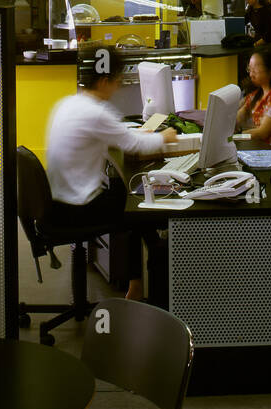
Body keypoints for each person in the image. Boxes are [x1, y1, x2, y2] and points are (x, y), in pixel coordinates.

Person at [44, 47, 179, 301]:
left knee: (131, 197)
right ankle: (155, 294)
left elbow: (120, 138)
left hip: (59, 203)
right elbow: (133, 145)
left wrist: (139, 136)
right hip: (77, 207)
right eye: (116, 81)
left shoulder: (70, 103)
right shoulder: (96, 113)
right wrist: (165, 137)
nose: (117, 87)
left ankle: (136, 286)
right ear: (104, 81)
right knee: (140, 207)